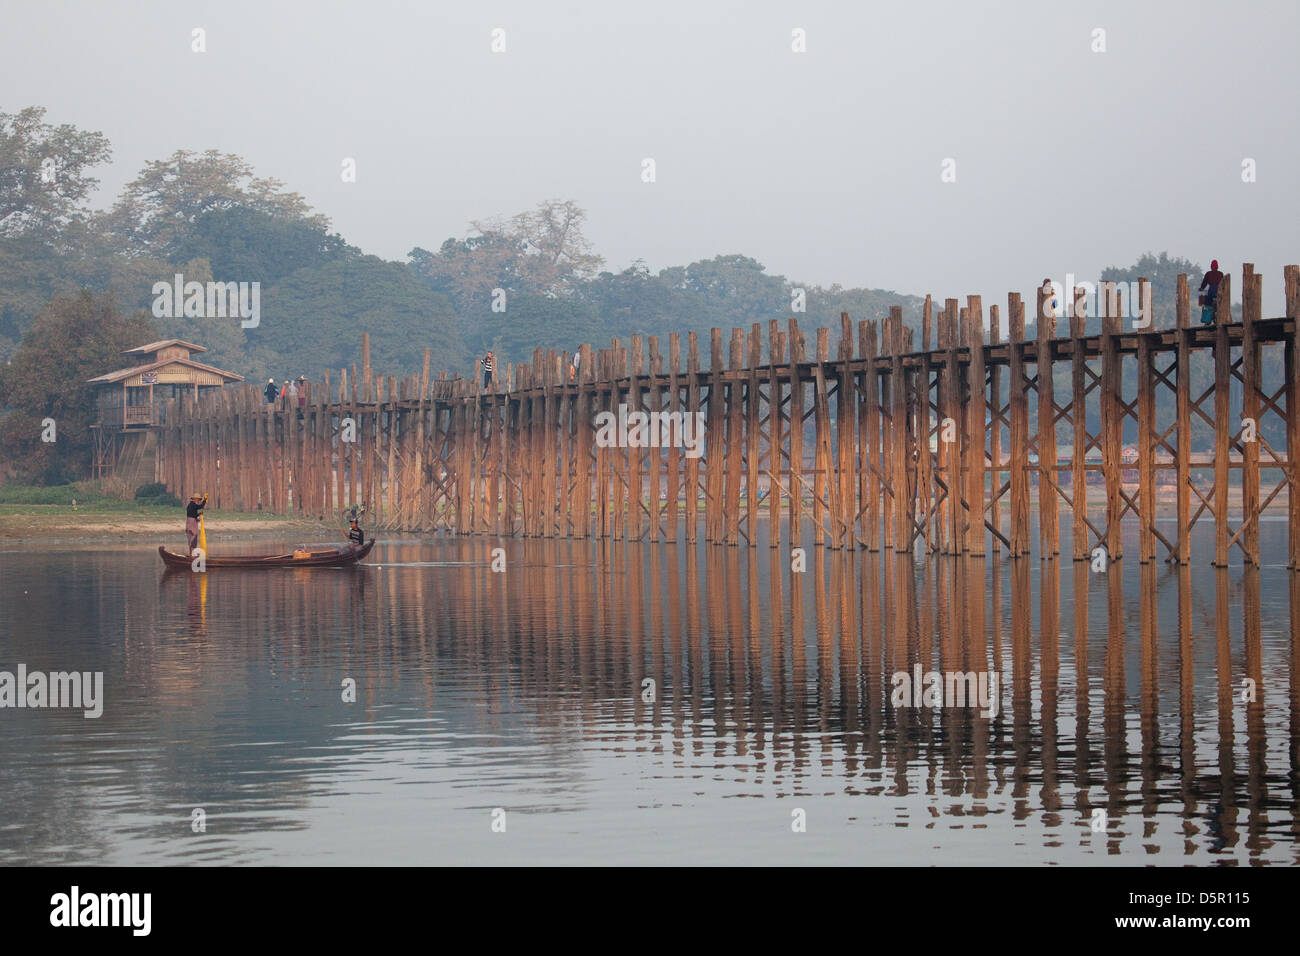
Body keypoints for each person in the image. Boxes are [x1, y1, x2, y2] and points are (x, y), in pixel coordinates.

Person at [1199, 259, 1224, 324]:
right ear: (1217, 267)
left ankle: (1208, 320)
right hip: (1218, 292)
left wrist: (1201, 288)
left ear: (1211, 266)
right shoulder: (1220, 274)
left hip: (1211, 291)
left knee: (1207, 305)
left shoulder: (1208, 274)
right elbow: (1223, 284)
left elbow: (1204, 283)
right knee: (1220, 305)